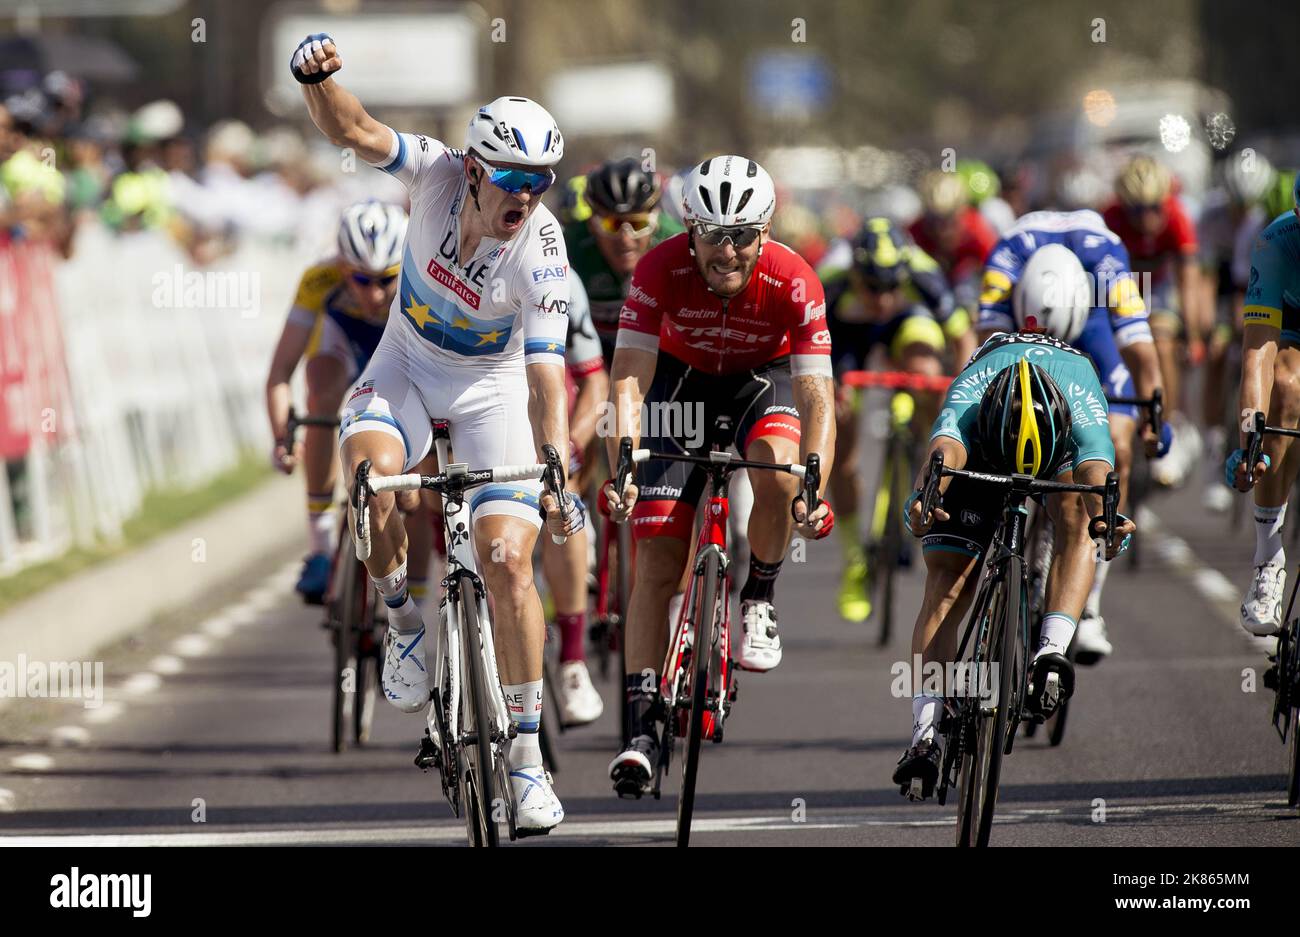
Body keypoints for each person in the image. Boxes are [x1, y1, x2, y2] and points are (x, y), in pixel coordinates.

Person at [291, 33, 584, 833]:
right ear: (479, 167)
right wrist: (318, 79)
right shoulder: (433, 171)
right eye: (517, 178)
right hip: (406, 368)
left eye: (544, 180)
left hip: (492, 394)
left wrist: (554, 457)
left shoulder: (544, 250)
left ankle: (525, 762)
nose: (529, 194)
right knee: (370, 477)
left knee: (508, 562)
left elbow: (548, 374)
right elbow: (352, 129)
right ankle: (403, 621)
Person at [601, 155, 837, 796]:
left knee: (778, 473)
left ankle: (757, 594)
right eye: (711, 234)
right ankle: (643, 724)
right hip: (681, 385)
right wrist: (624, 459)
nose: (725, 251)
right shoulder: (658, 268)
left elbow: (818, 398)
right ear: (689, 231)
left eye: (740, 236)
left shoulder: (795, 280)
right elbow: (627, 375)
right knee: (656, 563)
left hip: (767, 381)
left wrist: (812, 481)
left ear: (764, 234)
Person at [892, 329, 1135, 799]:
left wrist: (1107, 518)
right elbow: (943, 456)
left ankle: (1051, 651)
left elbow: (1097, 471)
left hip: (1055, 447)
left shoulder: (1082, 392)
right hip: (980, 450)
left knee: (1077, 517)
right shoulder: (971, 393)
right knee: (946, 579)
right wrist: (927, 499)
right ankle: (924, 734)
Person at [976, 210, 1169, 662]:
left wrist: (1154, 417)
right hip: (1020, 327)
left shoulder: (1109, 266)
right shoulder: (1004, 263)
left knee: (1114, 447)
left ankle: (1090, 605)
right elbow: (983, 352)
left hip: (1094, 335)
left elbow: (1141, 353)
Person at [266, 201, 438, 606]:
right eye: (360, 279)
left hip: (406, 358)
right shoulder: (318, 279)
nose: (374, 293)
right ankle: (321, 547)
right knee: (320, 387)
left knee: (421, 474)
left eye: (386, 279)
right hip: (345, 345)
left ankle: (409, 607)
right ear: (341, 266)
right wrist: (282, 436)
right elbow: (279, 371)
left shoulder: (426, 274)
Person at [817, 217, 961, 622]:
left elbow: (962, 336)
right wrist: (829, 388)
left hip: (907, 324)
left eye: (891, 286)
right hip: (847, 335)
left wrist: (956, 401)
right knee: (839, 436)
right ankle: (854, 558)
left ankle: (925, 452)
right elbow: (805, 346)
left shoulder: (924, 274)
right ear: (855, 275)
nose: (882, 297)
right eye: (873, 288)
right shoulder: (831, 278)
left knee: (928, 374)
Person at [1227, 173, 1300, 637]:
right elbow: (1257, 354)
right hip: (1292, 321)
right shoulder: (1277, 243)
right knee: (1288, 387)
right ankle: (1267, 561)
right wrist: (1251, 438)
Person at [1103, 154, 1203, 487]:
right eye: (1137, 211)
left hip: (1158, 288)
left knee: (1162, 341)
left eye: (1153, 208)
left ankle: (1166, 422)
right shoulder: (1109, 218)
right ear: (1124, 207)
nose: (1147, 218)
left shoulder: (1178, 216)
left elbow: (1188, 283)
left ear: (1166, 202)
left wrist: (1191, 334)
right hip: (1121, 287)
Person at [541, 275, 608, 726]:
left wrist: (574, 446)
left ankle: (572, 661)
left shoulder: (561, 279)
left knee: (565, 508)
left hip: (547, 406)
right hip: (464, 407)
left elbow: (594, 384)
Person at [1197, 152, 1276, 513]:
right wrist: (1209, 328)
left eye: (1248, 205)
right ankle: (1214, 449)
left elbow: (1253, 286)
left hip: (1255, 287)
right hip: (1224, 289)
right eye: (1235, 205)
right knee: (1216, 354)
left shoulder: (1261, 223)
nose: (1241, 213)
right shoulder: (1210, 218)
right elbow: (1205, 278)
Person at [563, 157, 683, 361]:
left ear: (654, 222)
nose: (625, 239)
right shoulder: (568, 247)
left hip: (660, 351)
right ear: (592, 224)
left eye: (637, 225)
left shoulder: (678, 246)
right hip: (593, 349)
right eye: (612, 224)